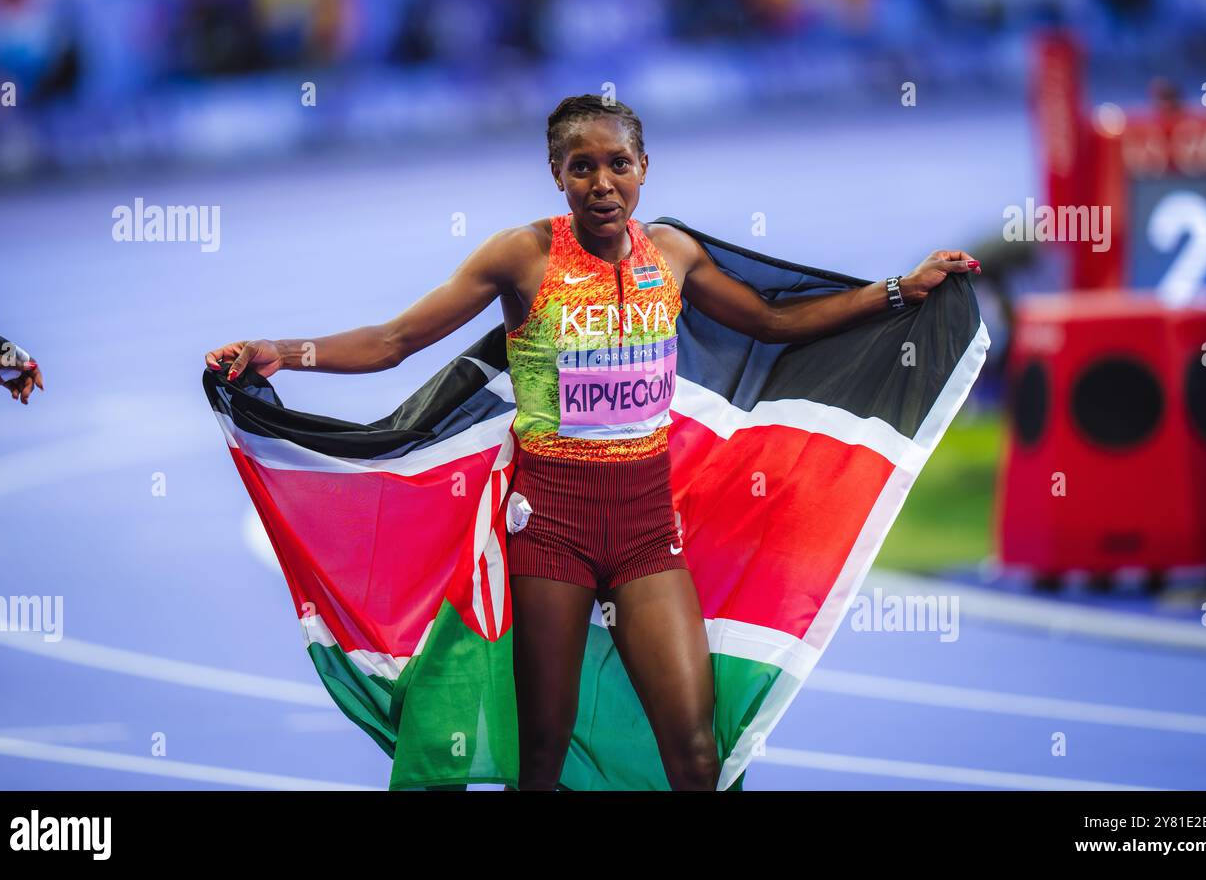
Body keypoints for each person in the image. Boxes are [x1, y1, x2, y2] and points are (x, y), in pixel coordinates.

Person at [204, 94, 980, 790]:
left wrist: (896, 291)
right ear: (557, 174)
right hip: (550, 529)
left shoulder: (671, 255)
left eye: (617, 164)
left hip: (647, 529)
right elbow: (394, 339)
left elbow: (773, 323)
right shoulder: (522, 257)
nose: (601, 182)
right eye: (583, 167)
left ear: (644, 169)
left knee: (695, 756)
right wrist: (281, 349)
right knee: (539, 759)